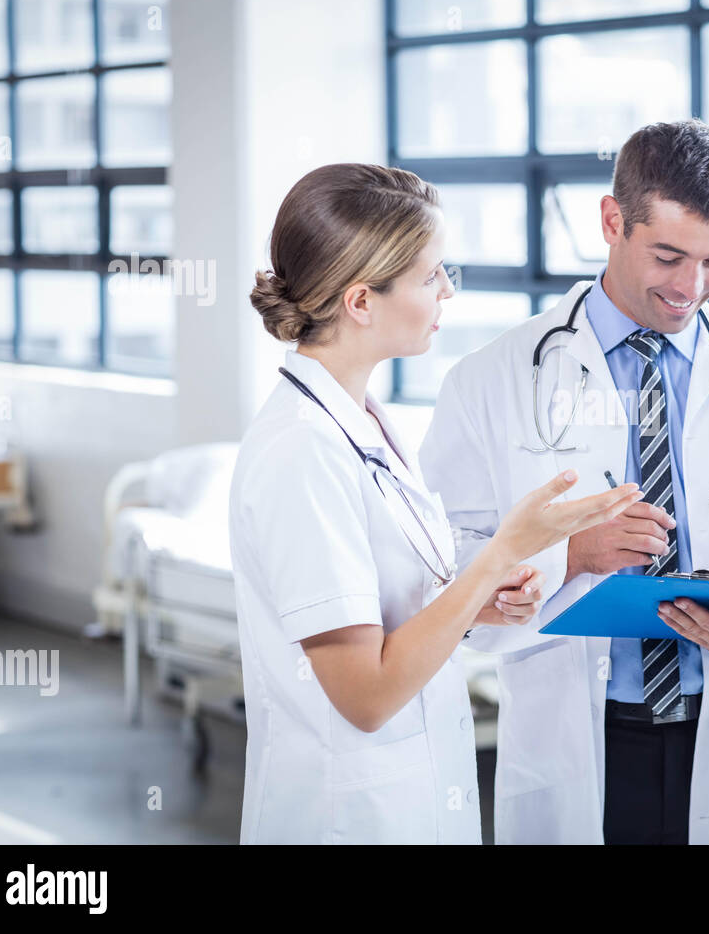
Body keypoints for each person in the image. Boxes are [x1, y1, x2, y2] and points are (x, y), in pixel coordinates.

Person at [419, 120, 709, 844]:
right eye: (668, 256)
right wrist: (568, 555)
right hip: (580, 736)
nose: (692, 287)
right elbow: (440, 569)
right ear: (611, 220)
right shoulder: (491, 380)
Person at [227, 163, 642, 844]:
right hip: (344, 817)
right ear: (361, 302)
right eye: (430, 276)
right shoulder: (299, 453)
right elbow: (366, 695)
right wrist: (503, 551)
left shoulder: (365, 425)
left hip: (412, 803)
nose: (447, 289)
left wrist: (481, 601)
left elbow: (394, 615)